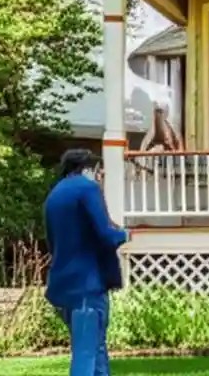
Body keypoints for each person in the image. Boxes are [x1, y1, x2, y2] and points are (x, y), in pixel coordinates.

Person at [44, 149, 129, 376]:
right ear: (89, 168)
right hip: (87, 285)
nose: (101, 176)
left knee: (96, 349)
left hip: (63, 285)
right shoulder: (87, 188)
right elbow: (104, 234)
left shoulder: (55, 194)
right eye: (99, 171)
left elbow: (52, 242)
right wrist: (125, 235)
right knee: (85, 355)